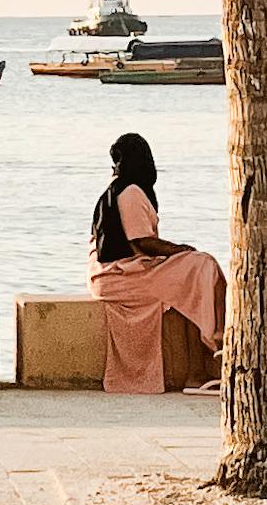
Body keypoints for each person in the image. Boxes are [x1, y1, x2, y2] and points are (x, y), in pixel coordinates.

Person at [87, 133, 226, 395]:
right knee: (202, 266)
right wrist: (180, 250)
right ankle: (213, 352)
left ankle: (198, 376)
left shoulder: (121, 188)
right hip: (118, 276)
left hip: (120, 272)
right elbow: (142, 241)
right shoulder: (130, 192)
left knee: (197, 278)